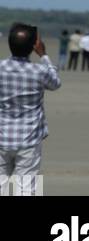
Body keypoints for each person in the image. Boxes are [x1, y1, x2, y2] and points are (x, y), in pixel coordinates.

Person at [0, 23, 61, 195]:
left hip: (2, 136)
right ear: (34, 46)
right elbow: (56, 82)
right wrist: (44, 55)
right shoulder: (39, 71)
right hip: (29, 139)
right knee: (26, 188)